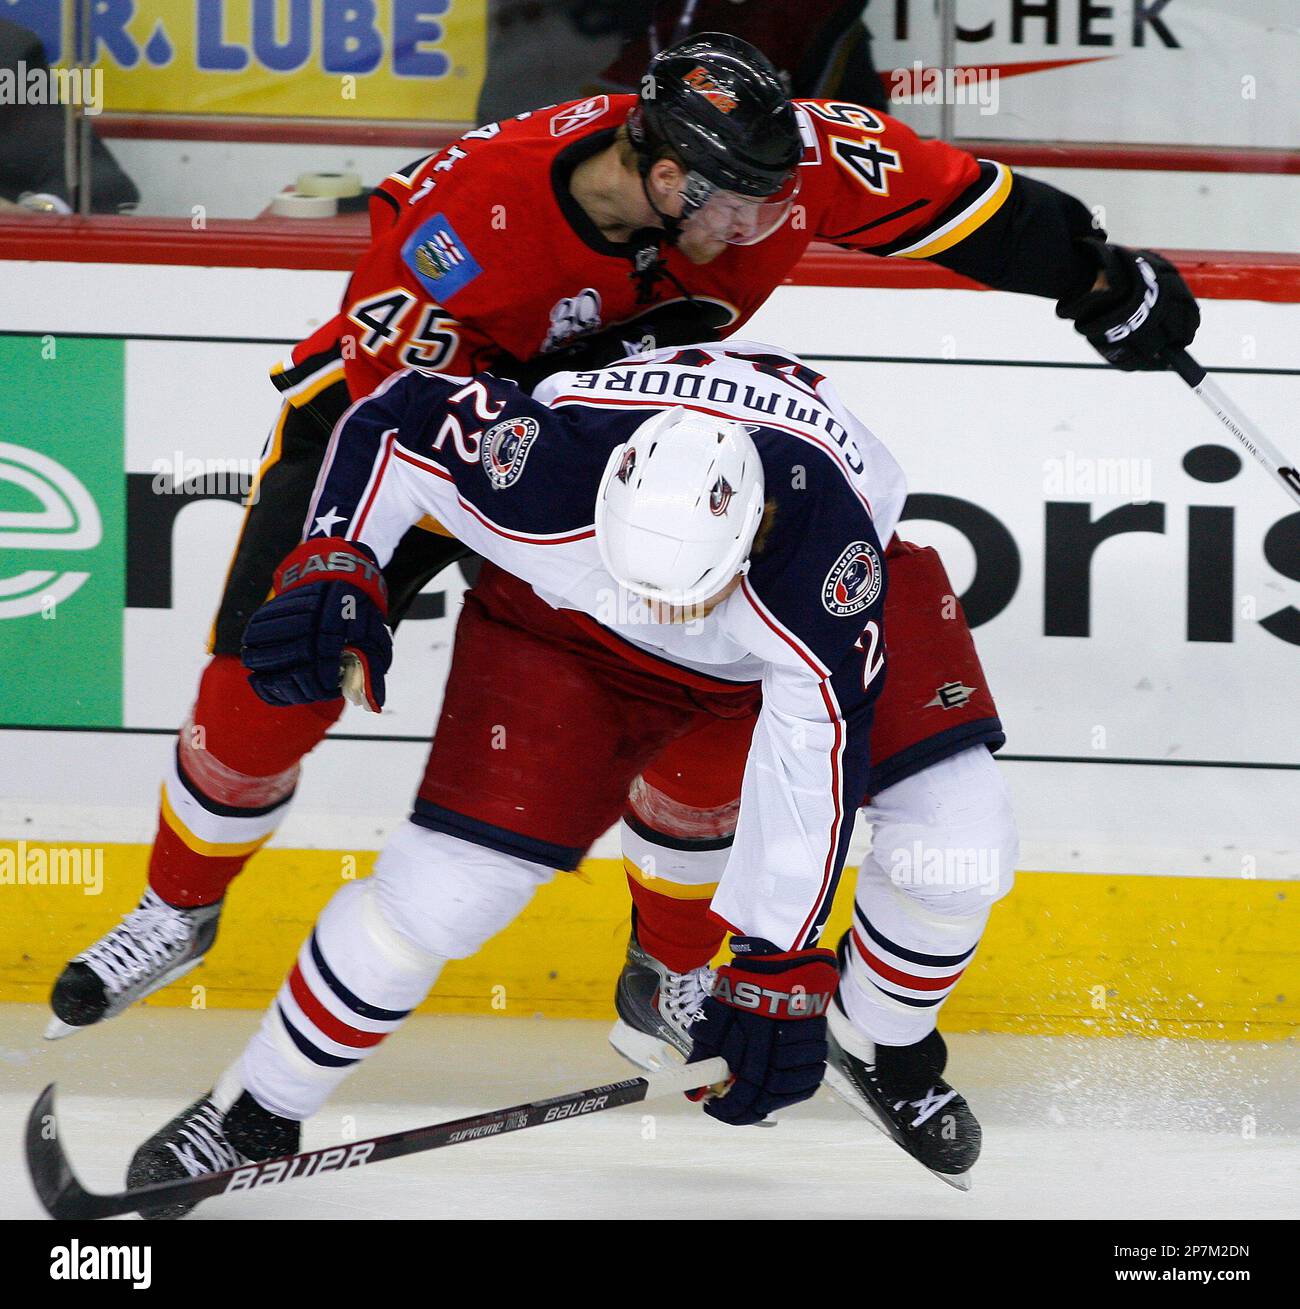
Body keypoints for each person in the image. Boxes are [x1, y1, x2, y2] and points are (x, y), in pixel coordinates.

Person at [50, 36, 1197, 1149]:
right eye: (732, 206)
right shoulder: (471, 217)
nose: (763, 230)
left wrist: (1097, 278)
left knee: (697, 689)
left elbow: (969, 204)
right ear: (657, 171)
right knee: (271, 683)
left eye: (773, 200)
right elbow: (393, 415)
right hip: (436, 424)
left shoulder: (791, 165)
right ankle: (178, 904)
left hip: (626, 459)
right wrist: (337, 556)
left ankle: (669, 968)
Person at [127, 339, 998, 1214]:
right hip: (571, 627)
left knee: (959, 844)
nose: (669, 615)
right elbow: (393, 420)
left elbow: (817, 761)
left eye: (687, 593)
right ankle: (251, 1110)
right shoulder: (543, 464)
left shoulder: (823, 561)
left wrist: (780, 964)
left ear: (754, 528)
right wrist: (334, 558)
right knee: (440, 895)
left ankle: (881, 1040)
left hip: (788, 617)